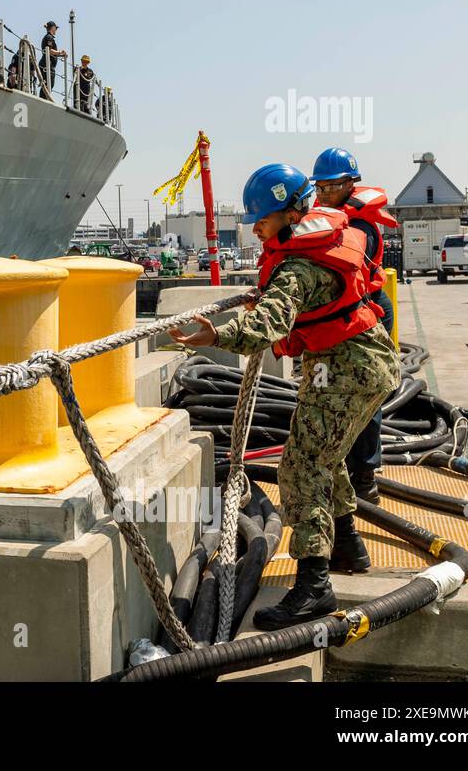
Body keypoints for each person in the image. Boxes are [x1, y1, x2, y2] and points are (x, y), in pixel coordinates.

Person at [169, 164, 401, 629]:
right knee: (327, 458)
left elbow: (269, 324)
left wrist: (217, 332)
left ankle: (314, 586)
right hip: (364, 365)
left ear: (291, 212)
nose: (255, 227)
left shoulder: (297, 266)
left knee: (302, 466)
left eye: (263, 218)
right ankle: (347, 546)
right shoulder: (316, 247)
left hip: (344, 371)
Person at [310, 147, 398, 508]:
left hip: (368, 312)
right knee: (331, 395)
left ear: (349, 184)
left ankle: (364, 478)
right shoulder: (330, 218)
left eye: (331, 187)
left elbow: (346, 265)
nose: (324, 194)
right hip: (345, 316)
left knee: (364, 397)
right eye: (320, 187)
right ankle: (342, 472)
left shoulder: (360, 226)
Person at [39, 21, 67, 100]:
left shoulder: (49, 37)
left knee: (49, 84)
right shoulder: (49, 37)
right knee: (48, 84)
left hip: (48, 64)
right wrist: (60, 52)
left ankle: (44, 99)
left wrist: (61, 55)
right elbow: (49, 50)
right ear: (53, 28)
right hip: (46, 64)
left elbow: (50, 51)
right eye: (56, 28)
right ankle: (43, 100)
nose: (56, 30)